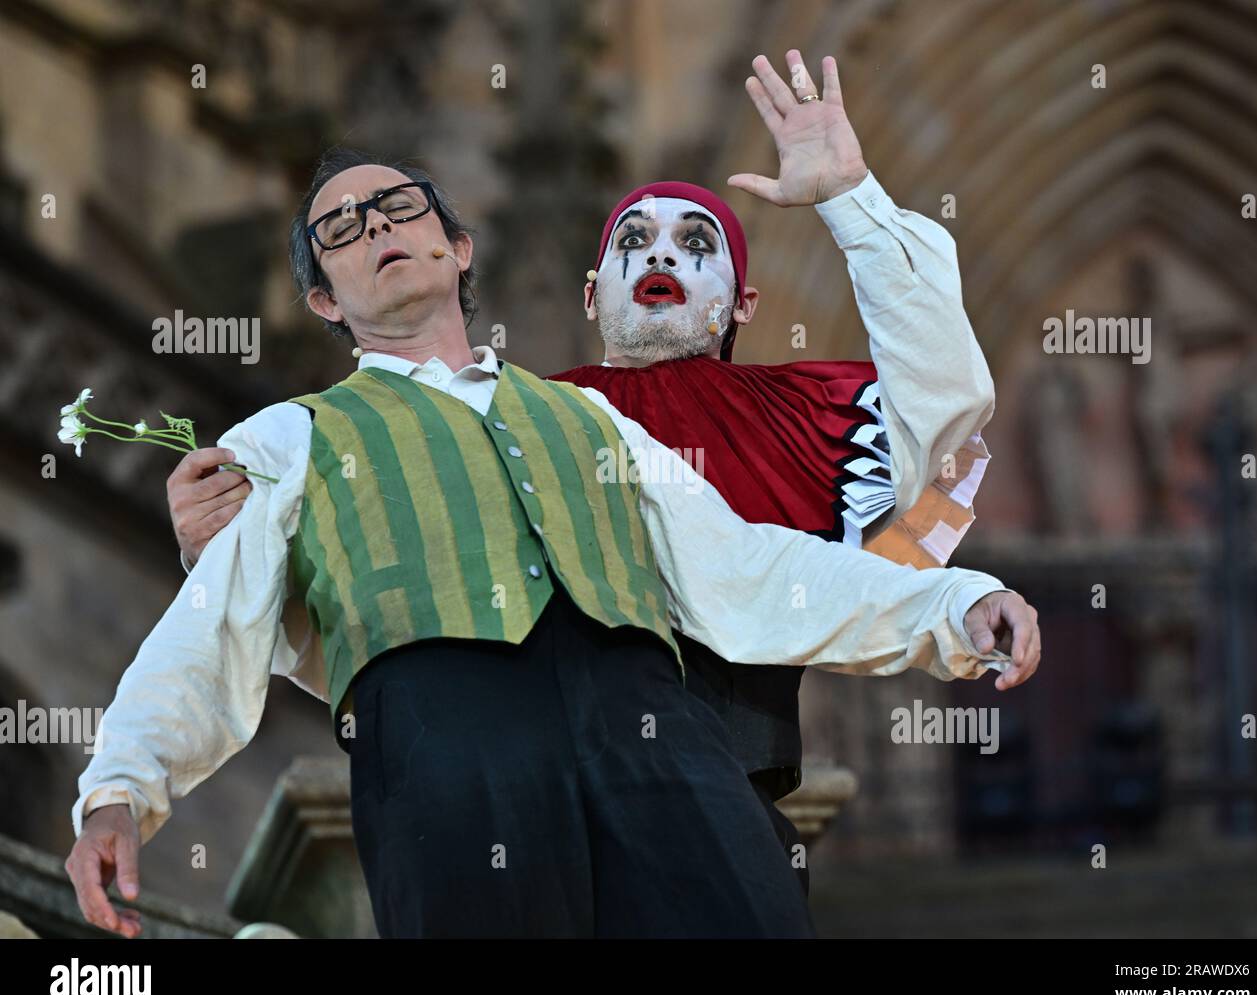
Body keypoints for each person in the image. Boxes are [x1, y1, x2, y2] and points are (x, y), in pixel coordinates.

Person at [166, 51, 1004, 898]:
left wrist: (851, 200)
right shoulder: (525, 418)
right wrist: (229, 545)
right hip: (522, 797)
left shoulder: (807, 409)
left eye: (695, 242)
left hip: (723, 795)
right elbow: (381, 576)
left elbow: (943, 405)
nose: (658, 256)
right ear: (590, 294)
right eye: (632, 243)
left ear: (742, 304)